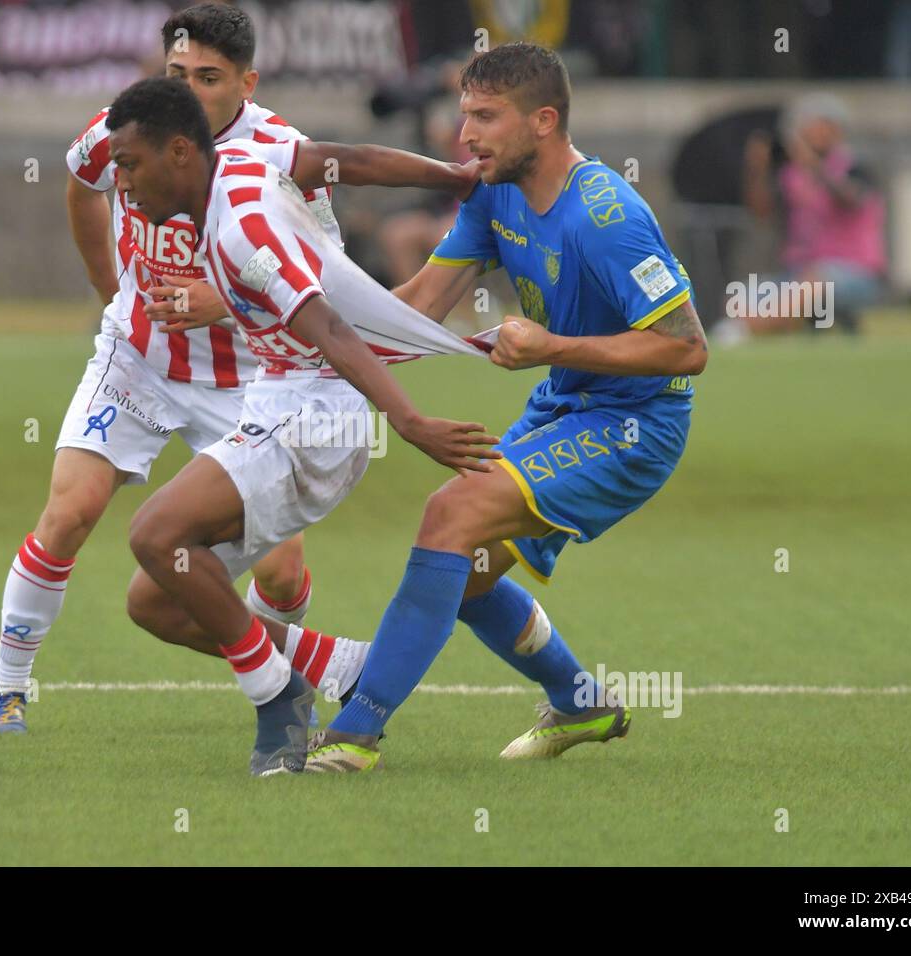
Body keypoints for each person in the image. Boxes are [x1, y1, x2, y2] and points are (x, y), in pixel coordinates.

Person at [300, 42, 709, 773]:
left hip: (637, 424)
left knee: (448, 516)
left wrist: (552, 343)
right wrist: (298, 333)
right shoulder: (494, 192)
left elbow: (686, 349)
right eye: (465, 115)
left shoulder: (608, 215)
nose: (466, 136)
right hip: (564, 404)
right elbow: (419, 304)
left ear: (544, 121)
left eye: (486, 117)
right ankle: (581, 704)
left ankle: (354, 733)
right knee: (470, 570)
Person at [103, 75, 505, 774]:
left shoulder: (239, 231)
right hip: (281, 401)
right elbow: (348, 159)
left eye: (130, 165)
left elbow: (329, 328)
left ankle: (276, 695)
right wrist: (455, 176)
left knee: (155, 534)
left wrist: (409, 423)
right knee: (158, 600)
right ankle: (336, 665)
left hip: (314, 417)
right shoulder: (244, 163)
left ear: (177, 152)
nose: (123, 187)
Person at [0, 3, 331, 733]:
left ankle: (276, 670)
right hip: (136, 361)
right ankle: (7, 691)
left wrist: (222, 301)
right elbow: (79, 184)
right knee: (68, 514)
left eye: (209, 77)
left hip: (246, 382)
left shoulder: (283, 153)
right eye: (178, 73)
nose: (190, 90)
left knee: (282, 572)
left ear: (247, 83)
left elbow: (324, 275)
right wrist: (113, 292)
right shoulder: (125, 126)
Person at [722, 93, 885, 342]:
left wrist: (812, 164)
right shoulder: (789, 175)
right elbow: (761, 213)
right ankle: (763, 326)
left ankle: (744, 331)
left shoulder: (855, 167)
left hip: (853, 274)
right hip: (796, 273)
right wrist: (757, 169)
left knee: (812, 282)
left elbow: (848, 198)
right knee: (740, 295)